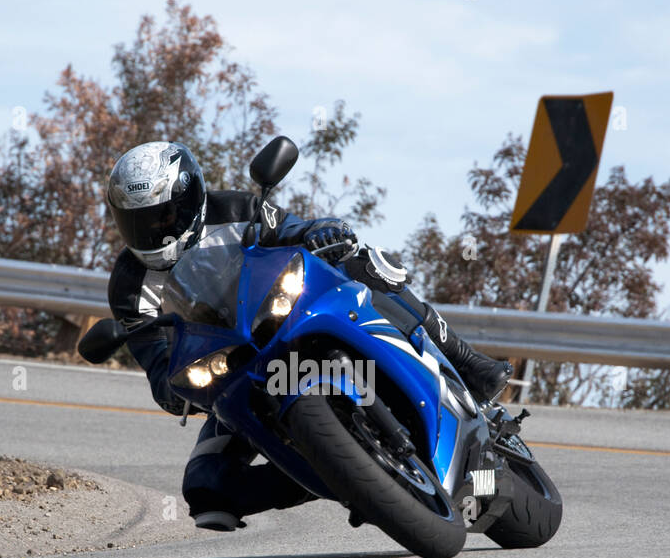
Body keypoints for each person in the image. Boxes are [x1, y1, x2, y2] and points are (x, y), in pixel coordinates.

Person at [104, 140, 511, 531]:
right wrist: (176, 390)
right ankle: (350, 480)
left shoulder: (239, 208)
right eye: (138, 222)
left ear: (191, 200)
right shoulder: (128, 286)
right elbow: (157, 365)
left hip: (290, 321)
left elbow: (300, 231)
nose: (155, 231)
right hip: (236, 374)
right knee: (206, 488)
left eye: (164, 215)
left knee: (363, 262)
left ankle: (465, 360)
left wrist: (325, 231)